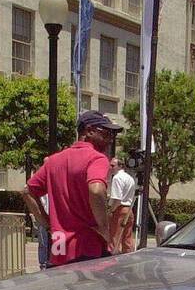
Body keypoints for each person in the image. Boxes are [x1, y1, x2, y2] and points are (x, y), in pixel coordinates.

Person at [21, 111, 123, 267]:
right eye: (106, 133)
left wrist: (48, 224)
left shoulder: (54, 161)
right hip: (87, 246)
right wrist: (104, 228)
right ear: (89, 131)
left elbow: (27, 192)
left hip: (58, 245)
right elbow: (96, 190)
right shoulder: (96, 158)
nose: (110, 139)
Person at [108, 157, 138, 255]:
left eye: (113, 165)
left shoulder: (117, 178)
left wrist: (111, 211)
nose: (110, 167)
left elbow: (117, 199)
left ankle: (112, 260)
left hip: (119, 209)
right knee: (127, 238)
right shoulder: (130, 178)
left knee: (114, 238)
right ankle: (128, 258)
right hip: (129, 210)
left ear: (120, 166)